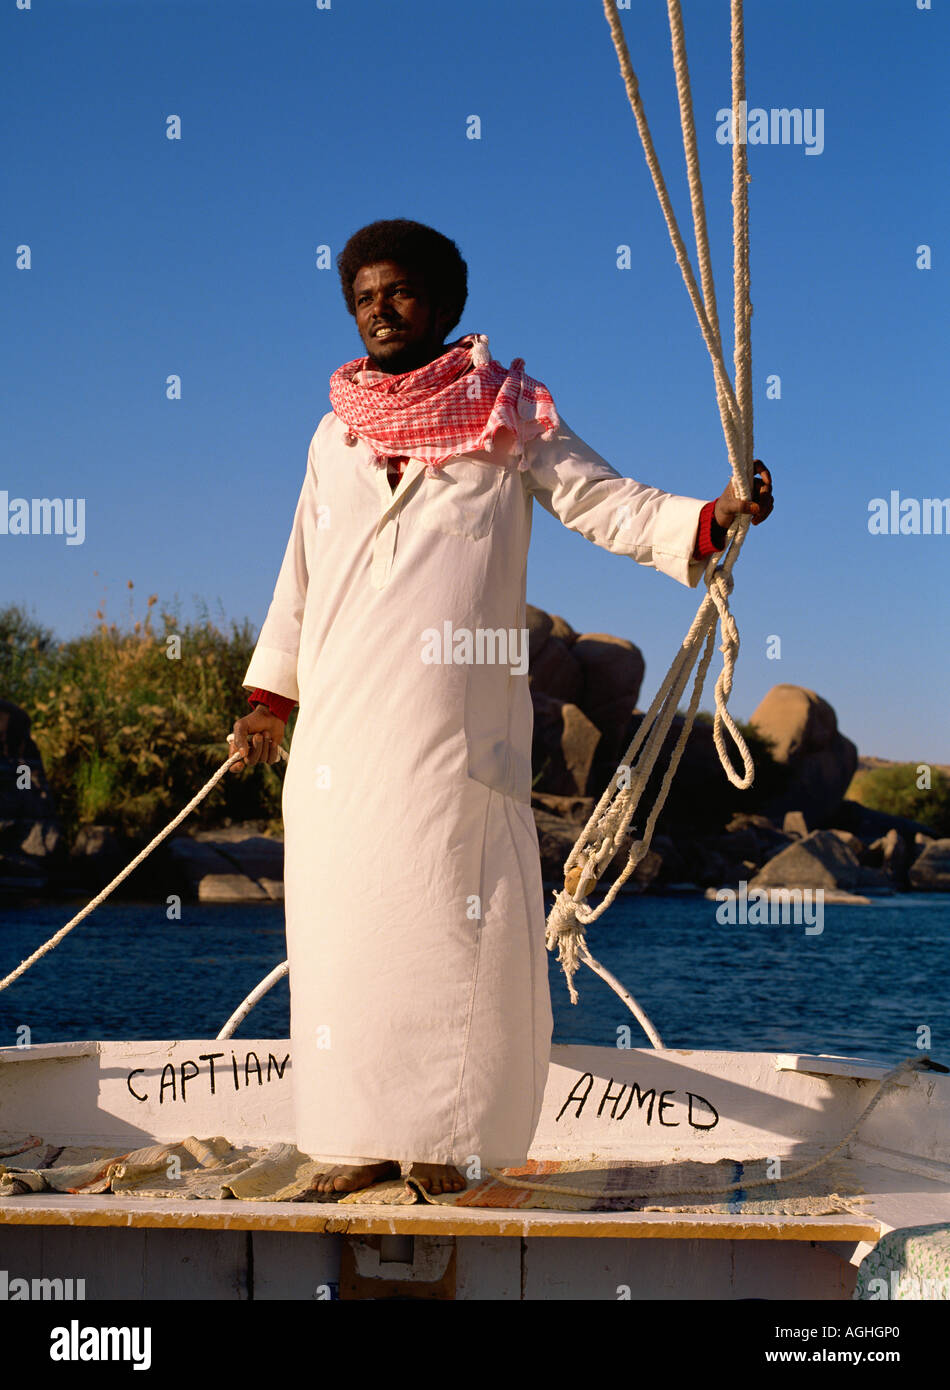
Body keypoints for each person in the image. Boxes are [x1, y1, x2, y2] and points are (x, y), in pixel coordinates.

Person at [229, 218, 774, 1197]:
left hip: (449, 736)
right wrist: (270, 700)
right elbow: (297, 575)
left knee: (447, 934)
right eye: (362, 296)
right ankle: (353, 1139)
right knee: (340, 940)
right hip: (339, 737)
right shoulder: (334, 431)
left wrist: (707, 517)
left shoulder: (506, 412)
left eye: (397, 292)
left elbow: (601, 500)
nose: (379, 311)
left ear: (444, 303)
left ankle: (452, 1141)